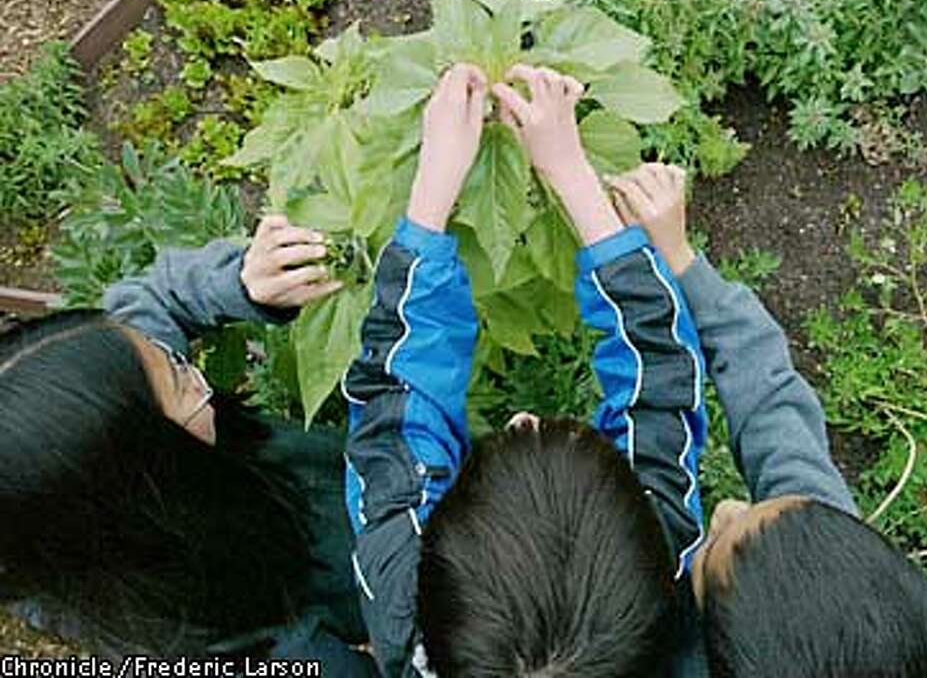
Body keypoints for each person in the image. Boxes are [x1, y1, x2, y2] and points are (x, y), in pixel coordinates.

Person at [342, 63, 708, 677]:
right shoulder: (659, 583)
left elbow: (395, 404)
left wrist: (434, 187)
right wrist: (572, 174)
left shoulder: (401, 603)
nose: (522, 415)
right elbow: (659, 385)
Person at [607, 163, 927, 678]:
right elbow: (772, 403)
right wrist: (680, 259)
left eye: (707, 558)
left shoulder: (651, 648)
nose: (729, 510)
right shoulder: (822, 554)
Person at [0, 215, 377, 673]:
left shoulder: (126, 403)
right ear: (150, 477)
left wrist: (242, 282)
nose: (197, 379)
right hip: (421, 569)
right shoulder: (238, 644)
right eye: (181, 385)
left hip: (360, 487)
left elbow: (157, 297)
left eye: (174, 359)